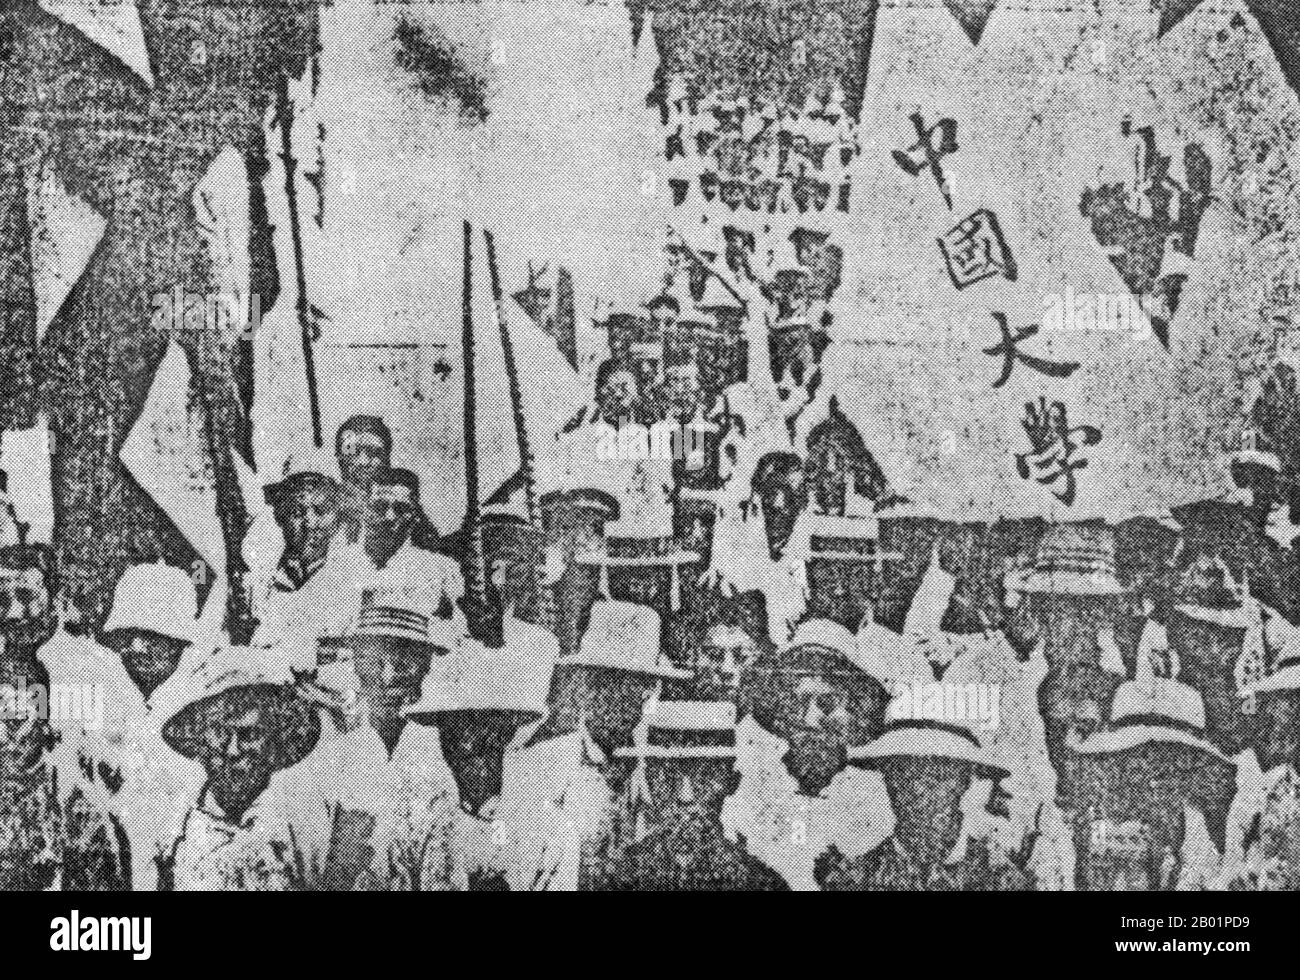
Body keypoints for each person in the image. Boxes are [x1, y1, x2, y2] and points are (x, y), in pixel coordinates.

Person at [153, 646, 376, 890]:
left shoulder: (301, 824)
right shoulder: (176, 829)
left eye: (249, 735)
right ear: (200, 736)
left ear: (275, 740)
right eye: (220, 733)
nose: (233, 750)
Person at [39, 562, 206, 890]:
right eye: (129, 635)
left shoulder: (200, 702)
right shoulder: (97, 685)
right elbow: (39, 709)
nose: (138, 648)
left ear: (179, 641)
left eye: (152, 636)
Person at [504, 599, 690, 890]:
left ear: (649, 692)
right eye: (606, 681)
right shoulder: (539, 769)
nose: (619, 697)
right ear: (583, 684)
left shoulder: (660, 775)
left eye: (636, 684)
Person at [303, 585, 465, 891]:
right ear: (356, 665)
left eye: (403, 665)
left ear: (423, 671)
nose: (386, 678)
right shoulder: (329, 762)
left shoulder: (441, 761)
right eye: (374, 661)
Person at [724, 618, 894, 890]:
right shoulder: (754, 788)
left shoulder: (871, 796)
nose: (811, 718)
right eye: (799, 702)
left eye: (827, 703)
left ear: (853, 711)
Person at [402, 615, 559, 890]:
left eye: (480, 728)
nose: (464, 745)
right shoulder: (425, 824)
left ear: (505, 733)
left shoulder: (539, 827)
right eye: (451, 729)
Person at [1070, 654, 1237, 891]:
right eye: (1137, 758)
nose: (1154, 774)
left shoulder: (1198, 828)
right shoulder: (1106, 827)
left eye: (1173, 763)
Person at [598, 700, 788, 890]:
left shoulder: (760, 883)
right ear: (648, 779)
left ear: (732, 782)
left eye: (704, 775)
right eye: (668, 774)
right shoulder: (616, 881)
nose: (685, 796)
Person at [253, 448, 365, 670]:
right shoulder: (258, 583)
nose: (310, 523)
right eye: (297, 512)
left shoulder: (353, 584)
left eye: (321, 511)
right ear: (280, 517)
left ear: (338, 518)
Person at [335, 415, 393, 543]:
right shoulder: (324, 507)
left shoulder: (398, 507)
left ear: (386, 459)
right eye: (353, 453)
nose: (363, 461)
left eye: (373, 453)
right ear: (339, 458)